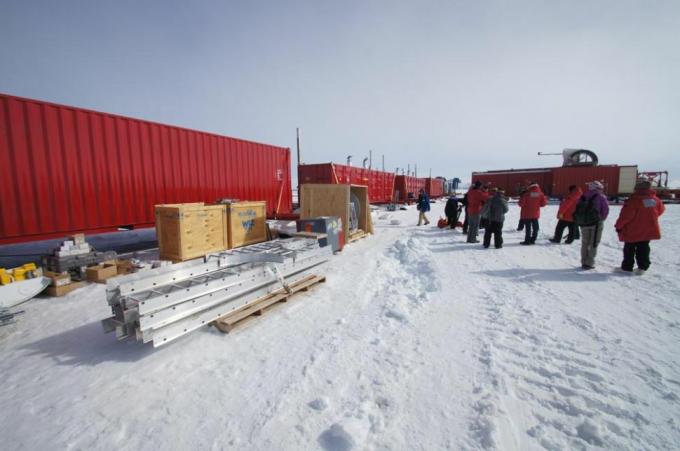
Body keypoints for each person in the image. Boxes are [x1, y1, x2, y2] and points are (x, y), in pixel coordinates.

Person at [614, 179, 665, 273]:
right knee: (644, 247)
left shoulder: (634, 200)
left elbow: (626, 216)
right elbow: (660, 210)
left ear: (637, 189)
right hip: (649, 228)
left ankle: (627, 267)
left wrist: (618, 226)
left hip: (633, 229)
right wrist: (649, 218)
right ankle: (643, 267)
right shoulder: (655, 200)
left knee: (629, 248)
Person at [574, 180, 609, 270]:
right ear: (598, 188)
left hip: (584, 223)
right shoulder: (601, 197)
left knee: (585, 243)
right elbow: (605, 211)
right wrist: (601, 219)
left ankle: (583, 261)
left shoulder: (583, 196)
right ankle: (589, 263)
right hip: (596, 223)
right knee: (594, 243)